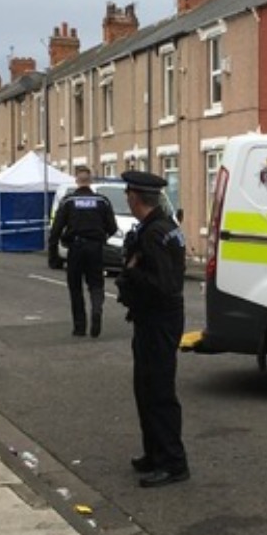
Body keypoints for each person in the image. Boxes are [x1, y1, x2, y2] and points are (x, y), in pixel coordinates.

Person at [115, 170, 189, 487]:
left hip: (158, 321)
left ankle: (173, 462)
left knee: (158, 392)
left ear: (135, 198)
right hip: (155, 319)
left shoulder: (155, 234)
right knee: (145, 388)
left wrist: (131, 273)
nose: (127, 199)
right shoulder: (164, 226)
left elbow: (163, 285)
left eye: (128, 195)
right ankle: (155, 453)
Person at [47, 166, 117, 337]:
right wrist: (102, 237)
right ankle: (96, 309)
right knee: (96, 284)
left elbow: (56, 230)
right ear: (90, 181)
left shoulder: (68, 201)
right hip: (95, 248)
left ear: (77, 180)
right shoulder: (102, 201)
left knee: (75, 287)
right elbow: (113, 227)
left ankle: (80, 326)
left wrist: (53, 255)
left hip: (76, 248)